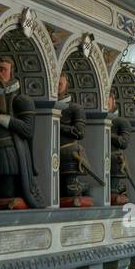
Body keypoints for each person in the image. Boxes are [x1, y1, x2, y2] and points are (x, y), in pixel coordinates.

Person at [0, 55, 44, 209]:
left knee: (7, 196)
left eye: (2, 70)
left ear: (12, 72)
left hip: (10, 156)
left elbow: (27, 129)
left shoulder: (22, 99)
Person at [57, 72, 99, 207]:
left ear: (66, 85)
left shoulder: (75, 108)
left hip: (69, 154)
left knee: (69, 190)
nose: (57, 86)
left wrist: (57, 125)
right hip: (50, 154)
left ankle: (85, 189)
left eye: (60, 83)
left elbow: (79, 132)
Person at [107, 93, 135, 205]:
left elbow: (124, 142)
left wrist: (107, 133)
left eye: (108, 99)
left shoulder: (121, 122)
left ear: (113, 101)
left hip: (115, 160)